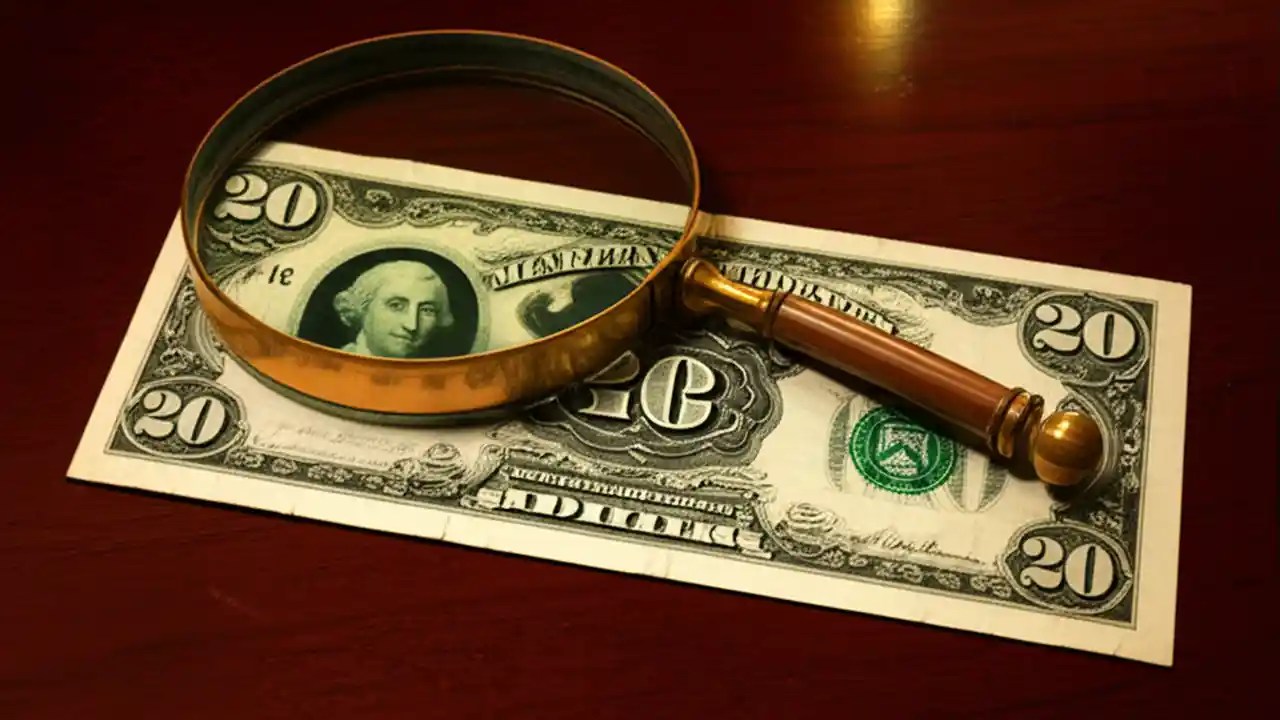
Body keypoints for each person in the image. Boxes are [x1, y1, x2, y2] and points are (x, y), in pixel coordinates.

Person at [332, 260, 454, 358]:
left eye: (427, 310)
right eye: (396, 306)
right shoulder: (331, 370)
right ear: (363, 307)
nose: (412, 326)